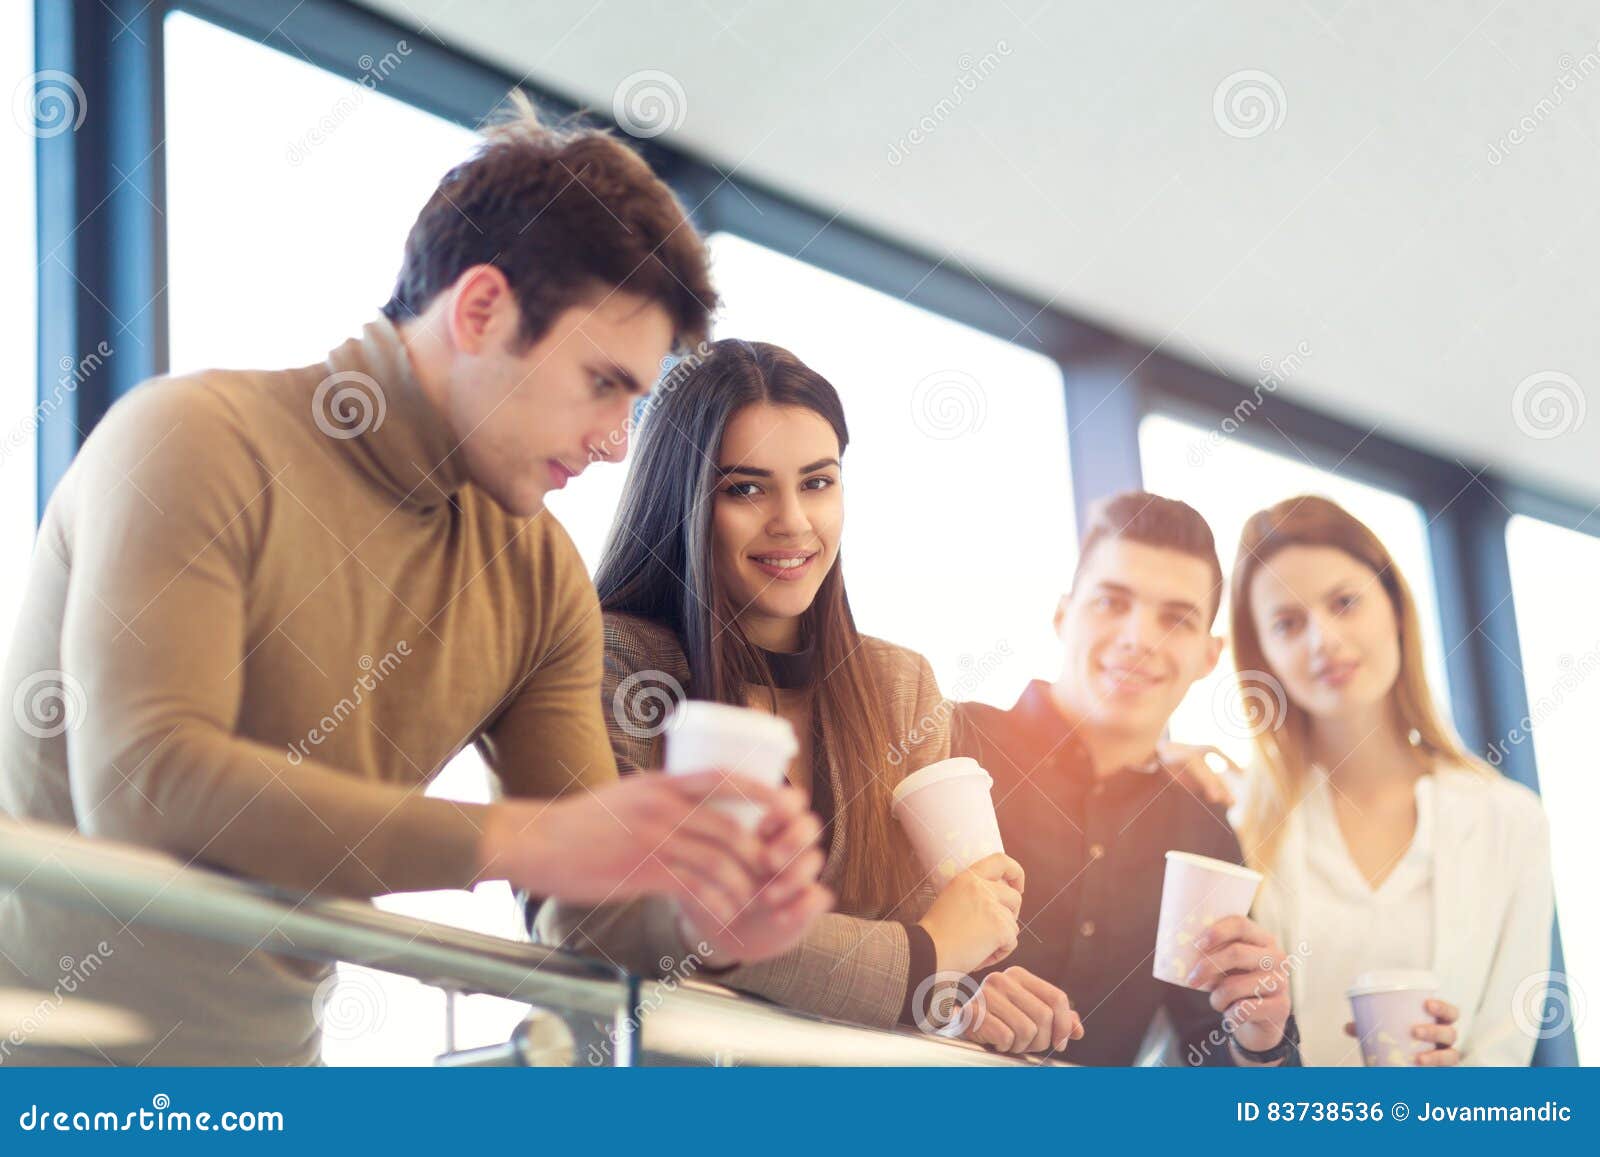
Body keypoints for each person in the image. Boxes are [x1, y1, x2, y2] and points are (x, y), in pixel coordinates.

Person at [0, 101, 824, 1066]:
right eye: (603, 383)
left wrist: (703, 914)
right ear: (480, 311)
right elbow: (148, 787)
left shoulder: (540, 573)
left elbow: (583, 909)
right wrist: (527, 837)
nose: (614, 442)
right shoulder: (192, 441)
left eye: (635, 401)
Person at [536, 339, 1083, 1051]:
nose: (793, 520)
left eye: (818, 482)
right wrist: (923, 955)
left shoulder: (901, 689)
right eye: (746, 488)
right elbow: (624, 916)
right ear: (683, 500)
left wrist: (961, 998)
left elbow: (929, 954)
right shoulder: (609, 660)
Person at [951, 491, 1300, 1065]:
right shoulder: (949, 744)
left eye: (1176, 618)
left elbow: (1211, 1058)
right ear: (1063, 615)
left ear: (1208, 657)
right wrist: (948, 1004)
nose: (1140, 638)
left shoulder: (1203, 830)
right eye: (1112, 602)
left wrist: (1257, 1041)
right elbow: (843, 940)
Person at [1227, 495, 1553, 1065]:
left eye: (1345, 602)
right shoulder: (1243, 825)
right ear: (1264, 657)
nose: (1322, 639)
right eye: (1287, 622)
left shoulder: (1508, 819)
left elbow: (1507, 1054)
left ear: (1397, 609)